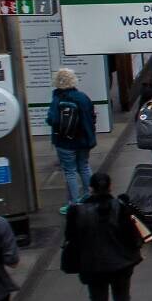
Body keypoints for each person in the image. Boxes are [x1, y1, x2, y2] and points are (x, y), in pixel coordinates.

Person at [60, 172, 142, 301]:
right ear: (110, 186)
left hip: (92, 265)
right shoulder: (119, 207)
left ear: (90, 188)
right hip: (120, 262)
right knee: (122, 296)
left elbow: (70, 238)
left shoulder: (77, 211)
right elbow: (132, 236)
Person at [47, 68, 97, 211]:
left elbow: (52, 119)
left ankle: (73, 203)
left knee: (70, 171)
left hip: (65, 142)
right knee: (84, 166)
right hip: (84, 140)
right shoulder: (83, 97)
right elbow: (92, 116)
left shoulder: (58, 99)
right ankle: (89, 195)